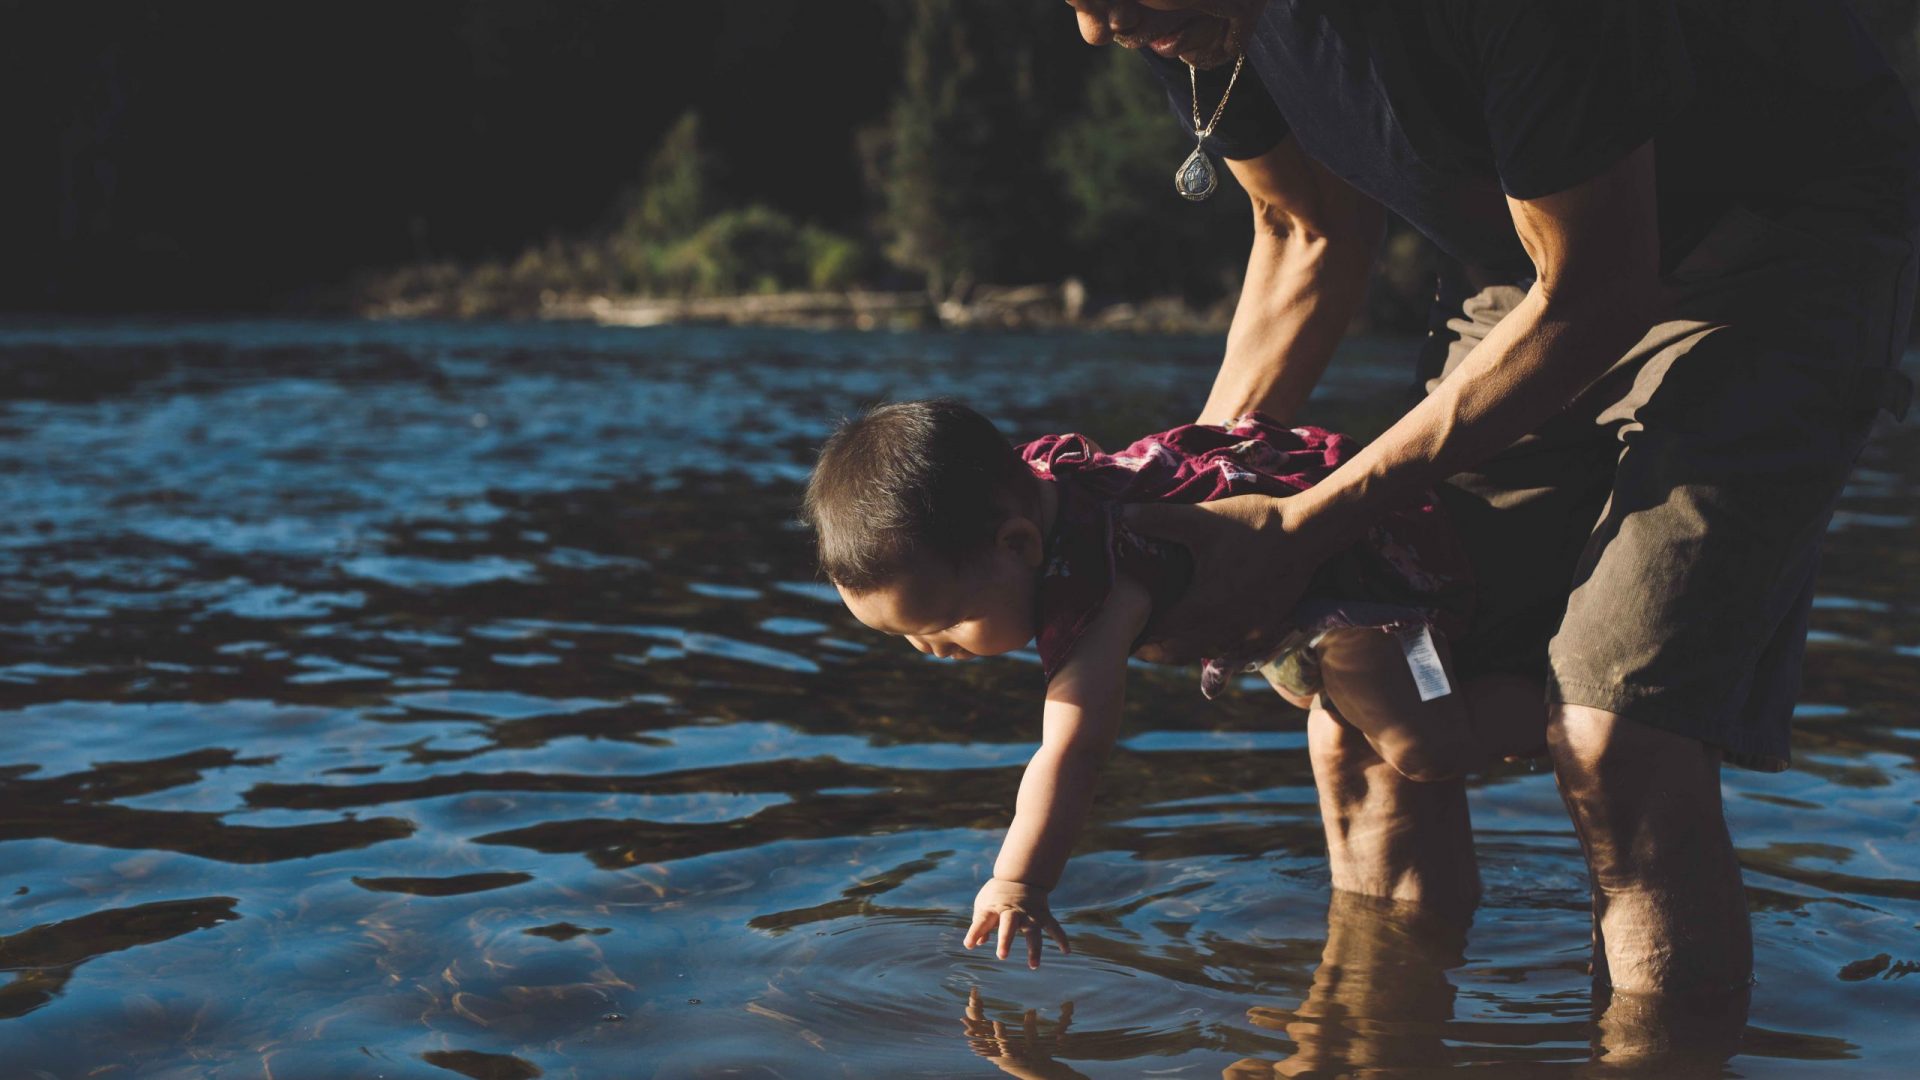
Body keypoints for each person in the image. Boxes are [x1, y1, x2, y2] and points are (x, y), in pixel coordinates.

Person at [1063, 0, 1920, 1000]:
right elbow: (1307, 229)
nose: (1096, 29)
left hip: (1777, 258)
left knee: (1618, 741)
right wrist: (1195, 491)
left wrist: (1302, 526)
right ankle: (1381, 1052)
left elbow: (1597, 288)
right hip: (1531, 267)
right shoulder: (1187, 18)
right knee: (1358, 681)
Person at [802, 399, 1541, 967]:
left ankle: (1560, 715)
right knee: (1340, 711)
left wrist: (1019, 882)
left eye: (947, 623)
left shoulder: (1095, 584)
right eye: (908, 639)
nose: (932, 650)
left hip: (1371, 563)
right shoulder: (1036, 487)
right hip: (1313, 569)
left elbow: (1072, 751)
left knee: (1426, 746)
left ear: (1018, 546)